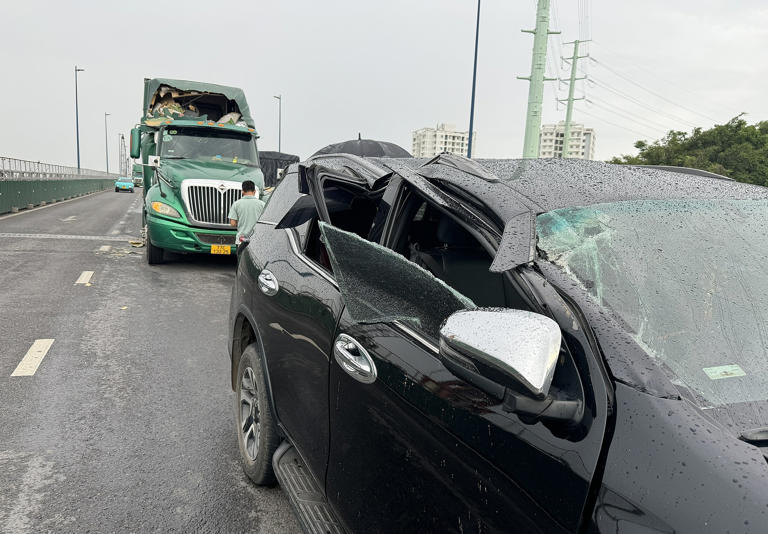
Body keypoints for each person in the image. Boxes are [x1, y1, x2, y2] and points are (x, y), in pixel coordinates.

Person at [228, 180, 265, 254]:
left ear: (242, 191)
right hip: (257, 241)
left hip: (241, 241)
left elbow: (232, 223)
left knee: (241, 263)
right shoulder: (262, 204)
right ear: (254, 191)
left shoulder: (236, 204)